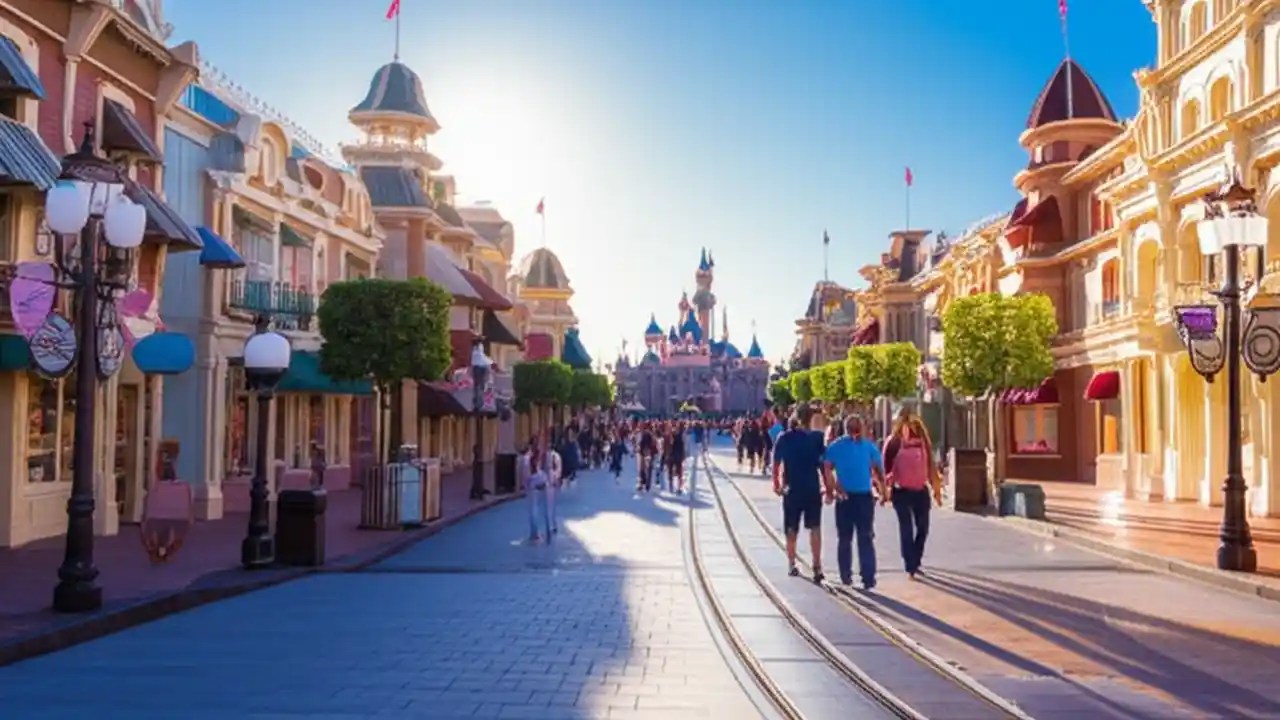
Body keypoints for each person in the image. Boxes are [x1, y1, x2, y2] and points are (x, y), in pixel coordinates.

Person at [823, 416, 887, 589]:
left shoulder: (836, 446)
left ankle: (851, 575)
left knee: (849, 538)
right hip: (859, 497)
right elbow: (878, 471)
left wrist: (832, 488)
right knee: (862, 537)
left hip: (852, 497)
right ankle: (864, 577)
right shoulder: (867, 446)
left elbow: (827, 468)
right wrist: (884, 491)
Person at [772, 410, 835, 582]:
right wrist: (829, 489)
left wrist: (776, 484)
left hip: (792, 489)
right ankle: (817, 566)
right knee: (815, 527)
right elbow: (823, 466)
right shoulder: (817, 438)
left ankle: (791, 563)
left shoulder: (784, 438)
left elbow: (776, 463)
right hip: (812, 488)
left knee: (791, 528)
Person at [883, 411, 942, 578]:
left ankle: (915, 559)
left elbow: (930, 465)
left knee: (922, 528)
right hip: (901, 491)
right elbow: (885, 465)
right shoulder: (894, 442)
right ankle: (910, 564)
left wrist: (936, 490)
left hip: (920, 490)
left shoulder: (923, 442)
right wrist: (885, 488)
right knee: (907, 528)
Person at [522, 437, 552, 543]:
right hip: (543, 481)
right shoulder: (543, 455)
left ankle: (534, 535)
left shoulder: (526, 458)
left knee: (533, 509)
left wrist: (525, 485)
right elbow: (548, 469)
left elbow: (526, 474)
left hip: (533, 483)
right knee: (546, 509)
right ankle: (548, 531)